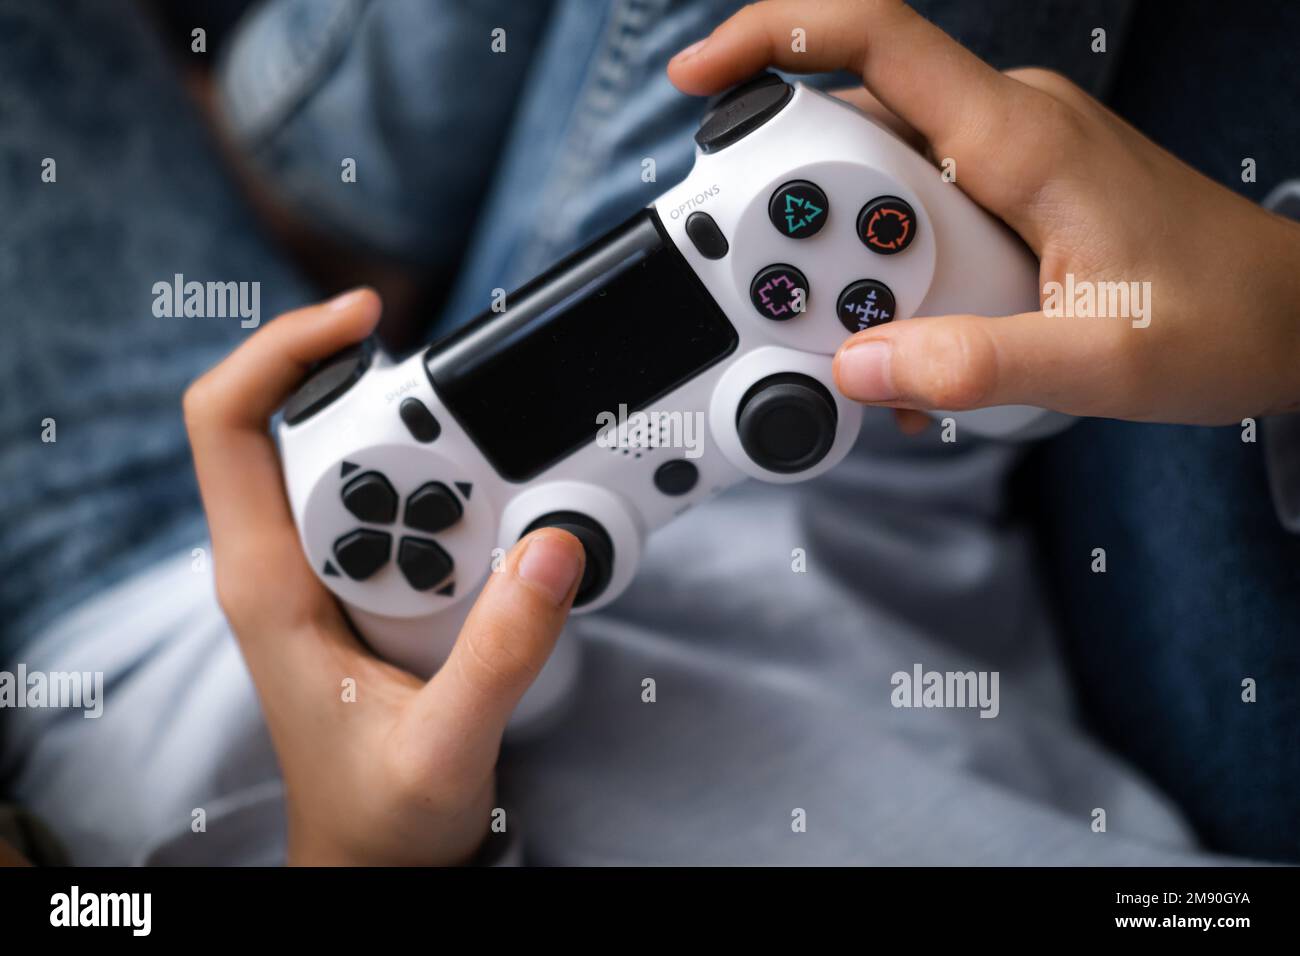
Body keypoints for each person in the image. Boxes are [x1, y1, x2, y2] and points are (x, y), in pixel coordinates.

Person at [2, 0, 1296, 865]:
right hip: (865, 471)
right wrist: (1280, 312)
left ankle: (321, 181)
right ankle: (324, 184)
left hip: (154, 650)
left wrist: (374, 859)